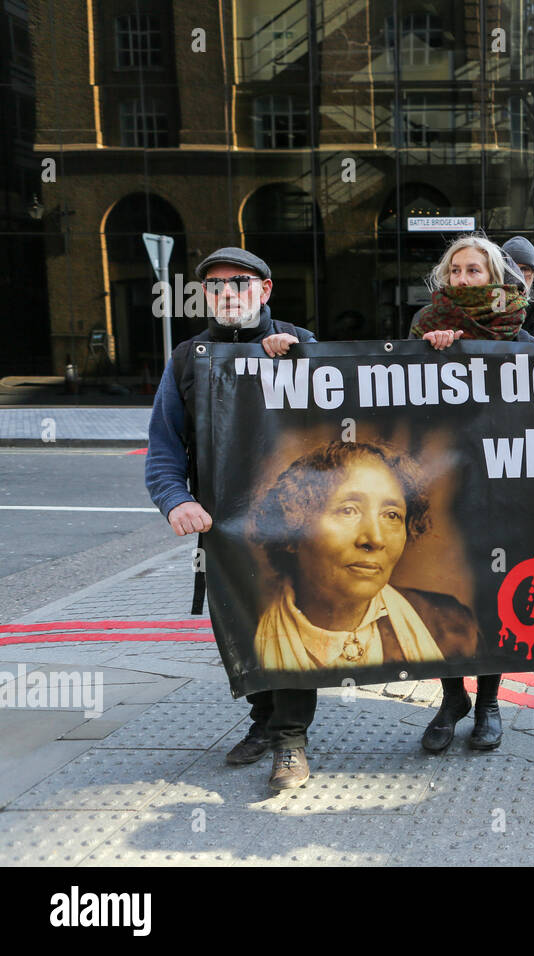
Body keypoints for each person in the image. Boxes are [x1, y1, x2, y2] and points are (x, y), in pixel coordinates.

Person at [144, 246, 320, 791]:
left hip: (295, 523)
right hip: (222, 524)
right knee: (241, 622)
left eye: (239, 283)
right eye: (215, 286)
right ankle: (263, 722)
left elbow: (353, 409)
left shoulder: (300, 342)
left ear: (265, 291)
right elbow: (163, 448)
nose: (226, 293)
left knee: (290, 619)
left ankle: (291, 741)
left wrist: (300, 359)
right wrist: (176, 500)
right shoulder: (187, 358)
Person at [410, 234, 534, 752]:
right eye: (455, 271)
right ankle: (450, 697)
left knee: (491, 594)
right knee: (443, 587)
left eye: (474, 271)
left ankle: (487, 701)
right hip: (441, 484)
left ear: (495, 278)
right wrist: (430, 354)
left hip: (502, 487)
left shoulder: (520, 337)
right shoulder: (422, 327)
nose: (463, 279)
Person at [250, 441, 477, 671]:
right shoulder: (247, 633)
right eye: (348, 510)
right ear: (293, 528)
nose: (375, 539)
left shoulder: (452, 627)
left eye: (391, 515)